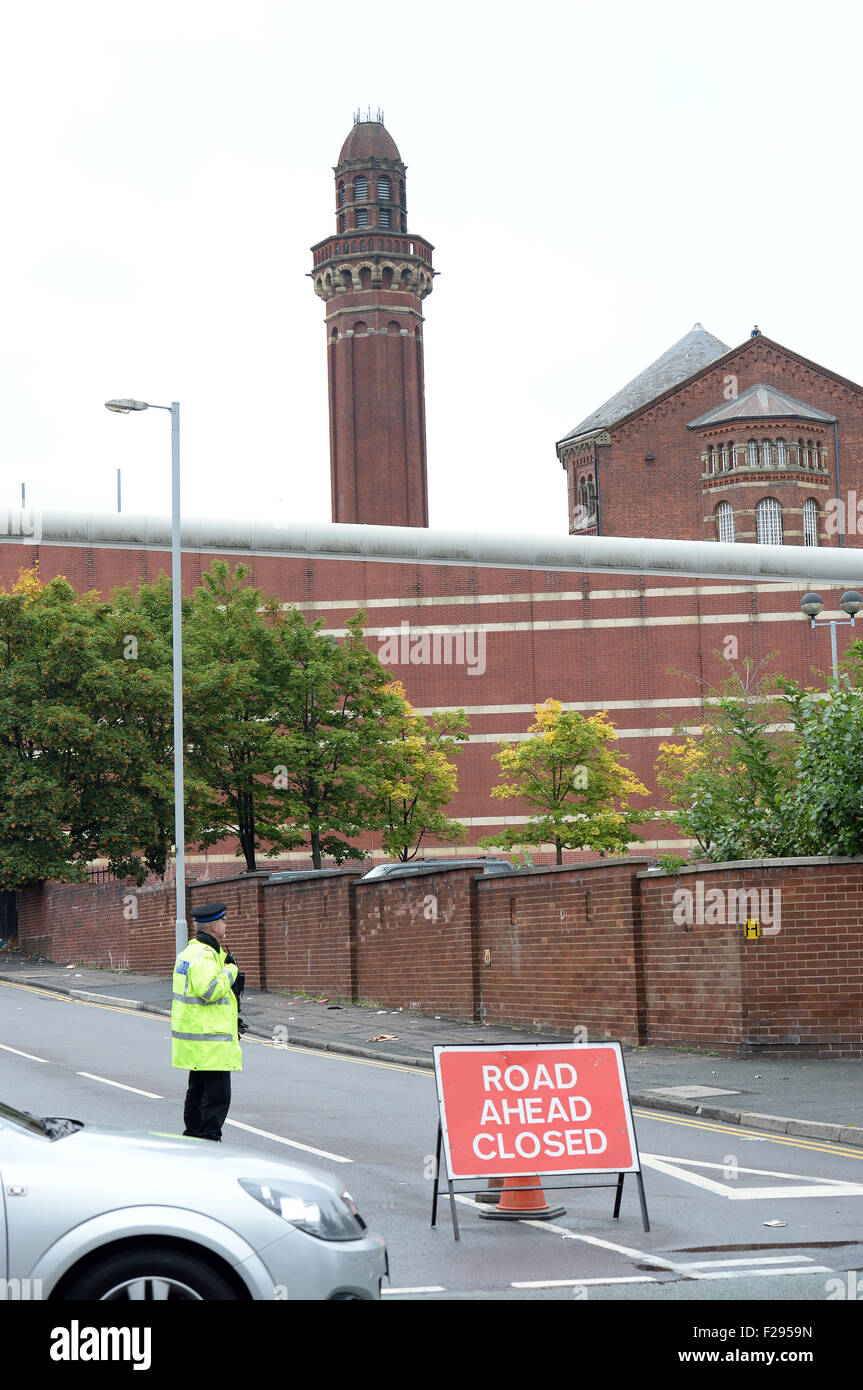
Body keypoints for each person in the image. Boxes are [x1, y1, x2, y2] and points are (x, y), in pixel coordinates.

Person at [171, 901, 244, 1141]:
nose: (226, 924)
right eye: (223, 920)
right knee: (217, 1096)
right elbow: (210, 990)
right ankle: (208, 1142)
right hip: (210, 1042)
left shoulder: (191, 952)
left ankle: (193, 1137)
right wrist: (231, 971)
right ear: (213, 926)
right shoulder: (203, 956)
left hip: (197, 1040)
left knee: (197, 1092)